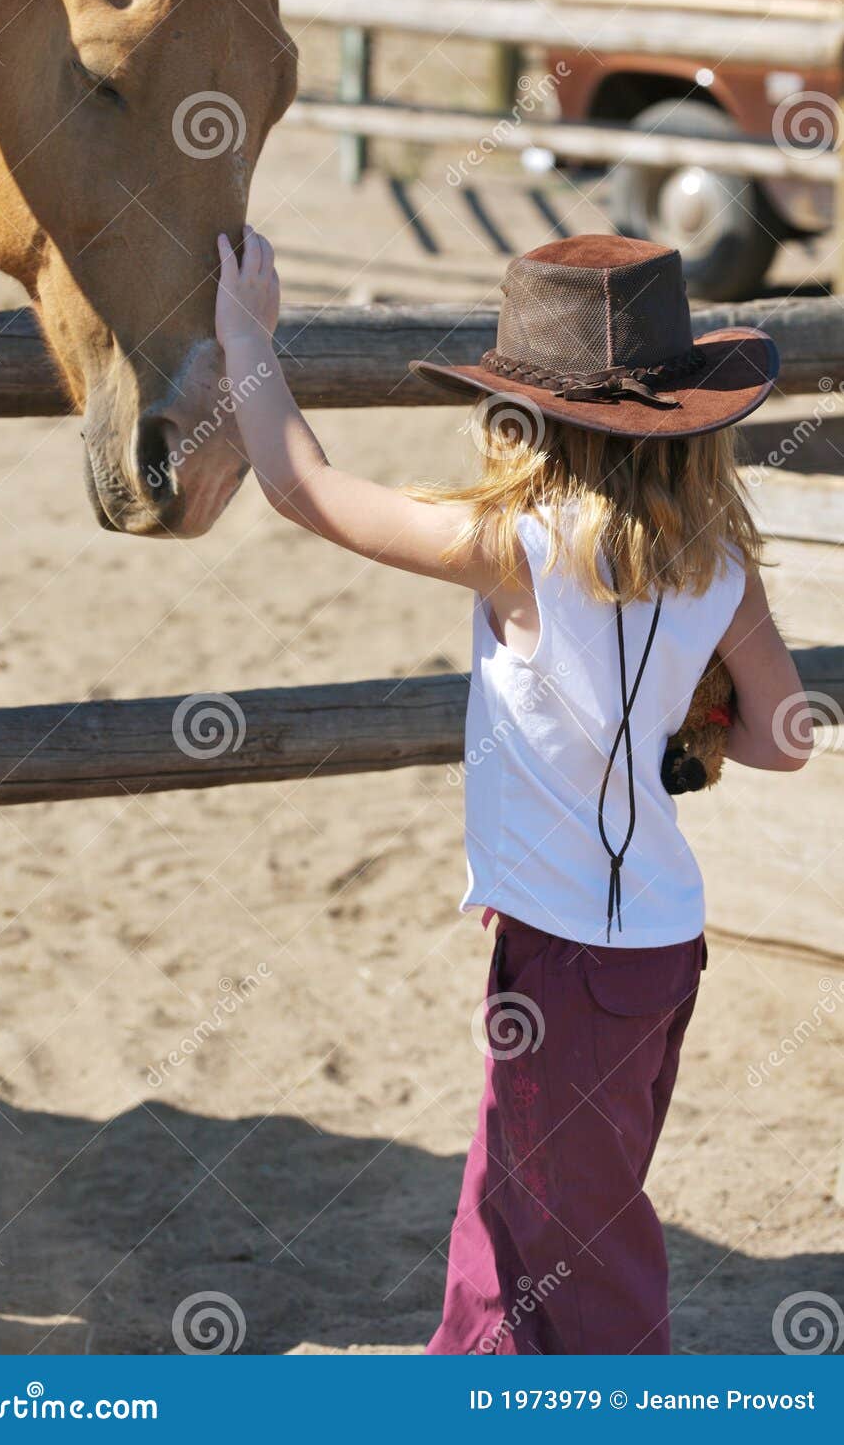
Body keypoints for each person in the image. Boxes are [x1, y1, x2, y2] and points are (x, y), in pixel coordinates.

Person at [212, 226, 812, 1355]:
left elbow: (301, 486)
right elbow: (788, 739)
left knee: (578, 1246)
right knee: (517, 1206)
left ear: (522, 417)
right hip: (657, 945)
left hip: (568, 952)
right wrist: (691, 709)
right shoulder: (718, 566)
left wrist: (247, 336)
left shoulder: (518, 546)